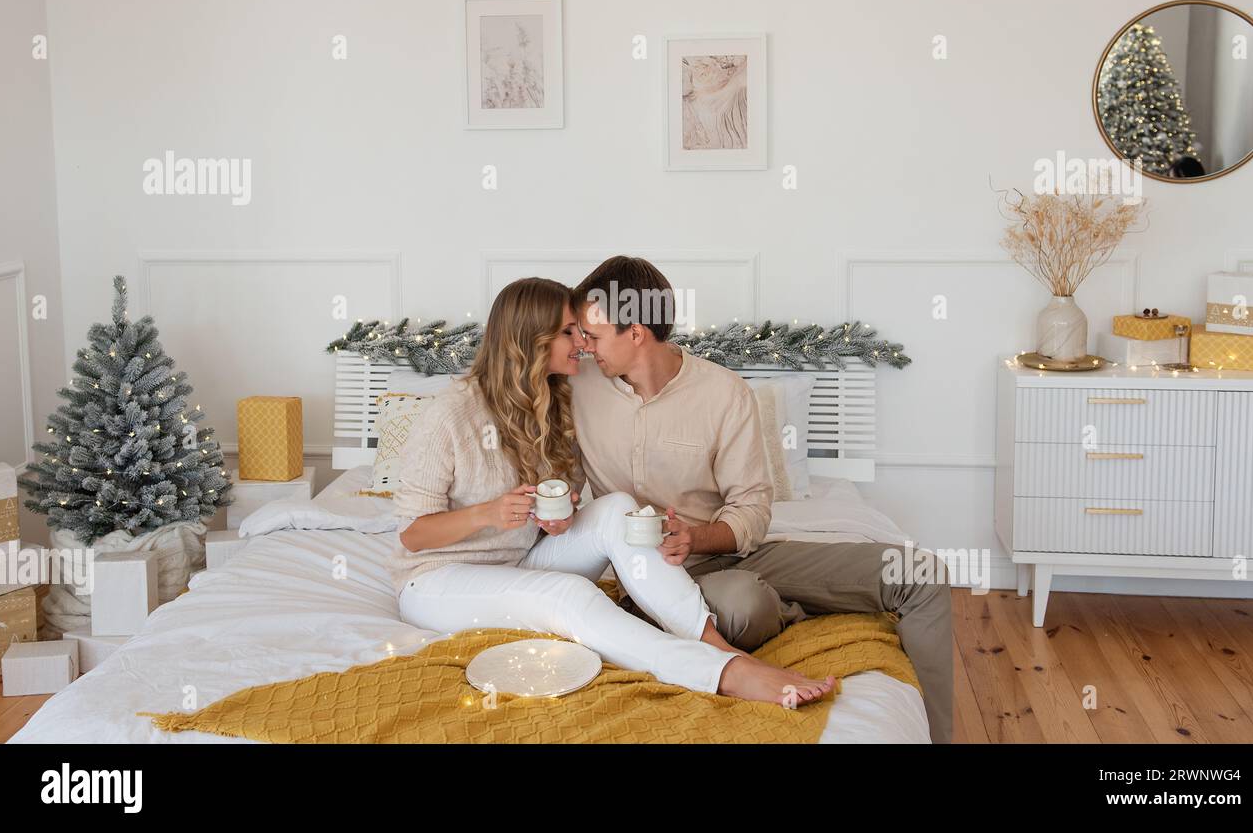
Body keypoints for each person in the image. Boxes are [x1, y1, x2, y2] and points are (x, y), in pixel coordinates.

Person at [390, 276, 836, 707]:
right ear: (532, 338)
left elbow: (565, 498)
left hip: (520, 564)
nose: (583, 343)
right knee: (571, 596)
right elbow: (411, 534)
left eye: (585, 333)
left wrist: (559, 518)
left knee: (622, 509)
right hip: (436, 581)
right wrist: (486, 514)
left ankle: (716, 646)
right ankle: (723, 674)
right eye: (570, 332)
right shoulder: (451, 414)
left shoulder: (552, 401)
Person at [569, 256, 953, 743]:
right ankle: (785, 611)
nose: (582, 346)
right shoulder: (578, 387)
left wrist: (695, 536)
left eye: (593, 335)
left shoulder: (724, 393)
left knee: (924, 575)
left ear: (637, 332)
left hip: (728, 554)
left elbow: (751, 508)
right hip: (650, 578)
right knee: (746, 606)